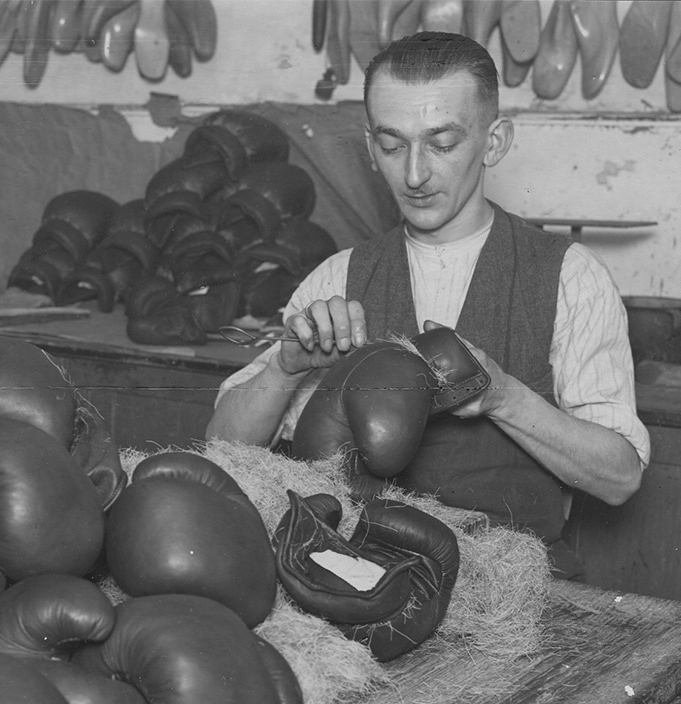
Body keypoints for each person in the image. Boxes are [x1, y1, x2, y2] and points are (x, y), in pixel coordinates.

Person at [205, 31, 650, 579]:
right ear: (371, 146)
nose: (414, 175)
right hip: (360, 585)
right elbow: (222, 450)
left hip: (512, 597)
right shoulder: (338, 277)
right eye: (393, 146)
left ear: (494, 142)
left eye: (441, 144)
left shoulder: (569, 277)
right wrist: (285, 366)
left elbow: (621, 477)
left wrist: (505, 398)